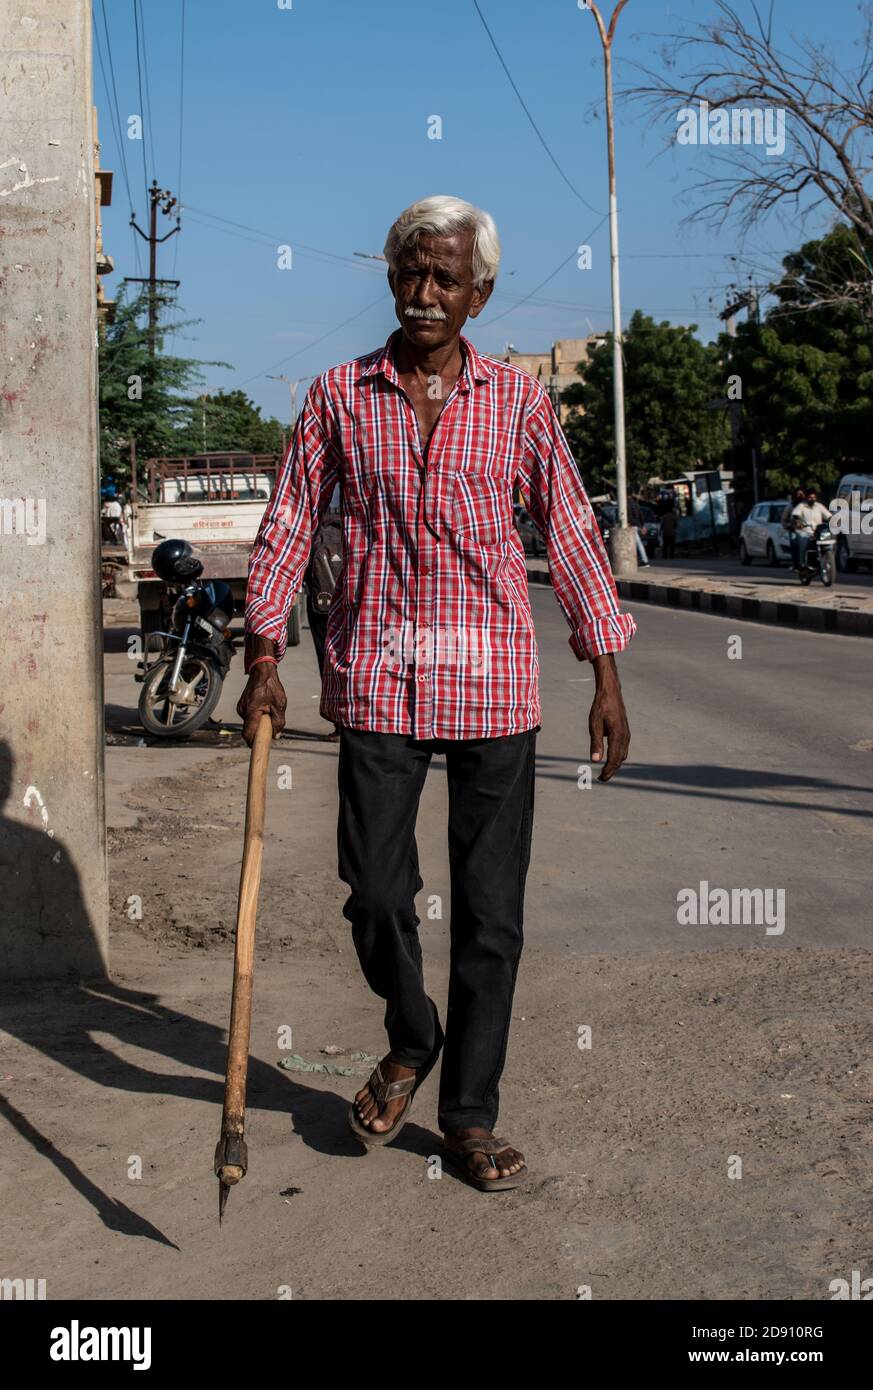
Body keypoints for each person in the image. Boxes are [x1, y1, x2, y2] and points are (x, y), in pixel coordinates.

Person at [237, 195, 636, 1191]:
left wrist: (605, 672)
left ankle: (468, 1115)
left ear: (480, 292)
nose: (423, 294)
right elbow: (288, 522)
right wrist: (261, 654)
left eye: (444, 279)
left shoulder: (520, 404)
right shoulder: (337, 397)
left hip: (496, 685)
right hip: (375, 678)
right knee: (372, 889)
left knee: (490, 916)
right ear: (390, 274)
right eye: (410, 273)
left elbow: (574, 530)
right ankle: (412, 1032)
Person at [791, 487, 833, 572]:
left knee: (829, 543)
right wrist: (798, 521)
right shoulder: (801, 506)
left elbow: (828, 516)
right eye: (810, 497)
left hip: (819, 532)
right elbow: (795, 514)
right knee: (803, 543)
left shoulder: (819, 506)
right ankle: (802, 564)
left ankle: (827, 560)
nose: (812, 499)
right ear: (806, 498)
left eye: (814, 497)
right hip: (805, 532)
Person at [781, 488, 806, 569]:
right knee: (795, 543)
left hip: (809, 530)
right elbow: (784, 520)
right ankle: (796, 563)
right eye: (798, 494)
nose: (800, 496)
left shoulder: (808, 506)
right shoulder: (790, 507)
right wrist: (790, 526)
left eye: (802, 494)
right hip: (795, 531)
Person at [627, 494, 650, 567]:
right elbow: (641, 515)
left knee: (637, 543)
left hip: (633, 525)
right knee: (637, 543)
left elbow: (629, 516)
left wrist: (630, 523)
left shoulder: (627, 504)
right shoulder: (635, 503)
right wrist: (642, 525)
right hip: (638, 525)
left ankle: (644, 560)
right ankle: (642, 560)